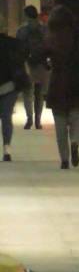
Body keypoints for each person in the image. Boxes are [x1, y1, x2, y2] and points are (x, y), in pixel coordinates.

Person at [44, 5, 79, 170]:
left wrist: (47, 65)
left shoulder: (51, 36)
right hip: (78, 84)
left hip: (57, 84)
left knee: (60, 125)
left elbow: (40, 55)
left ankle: (64, 160)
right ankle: (74, 143)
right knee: (76, 119)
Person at [0, 15, 29, 162]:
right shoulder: (13, 44)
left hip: (7, 85)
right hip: (9, 86)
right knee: (6, 118)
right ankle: (6, 148)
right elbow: (20, 63)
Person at [15, 5, 49, 129]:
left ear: (26, 15)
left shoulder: (22, 30)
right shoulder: (44, 29)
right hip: (41, 63)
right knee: (39, 94)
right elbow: (48, 46)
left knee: (27, 93)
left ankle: (29, 119)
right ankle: (38, 121)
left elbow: (18, 48)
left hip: (27, 64)